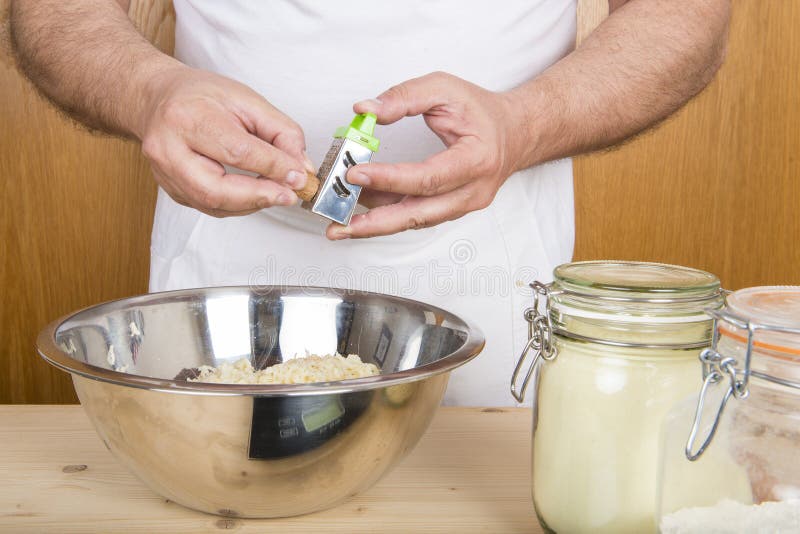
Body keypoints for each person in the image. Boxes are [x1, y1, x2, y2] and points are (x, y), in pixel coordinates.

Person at [10, 0, 730, 406]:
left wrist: (525, 125)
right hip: (225, 274)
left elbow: (685, 13)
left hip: (490, 274)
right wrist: (149, 93)